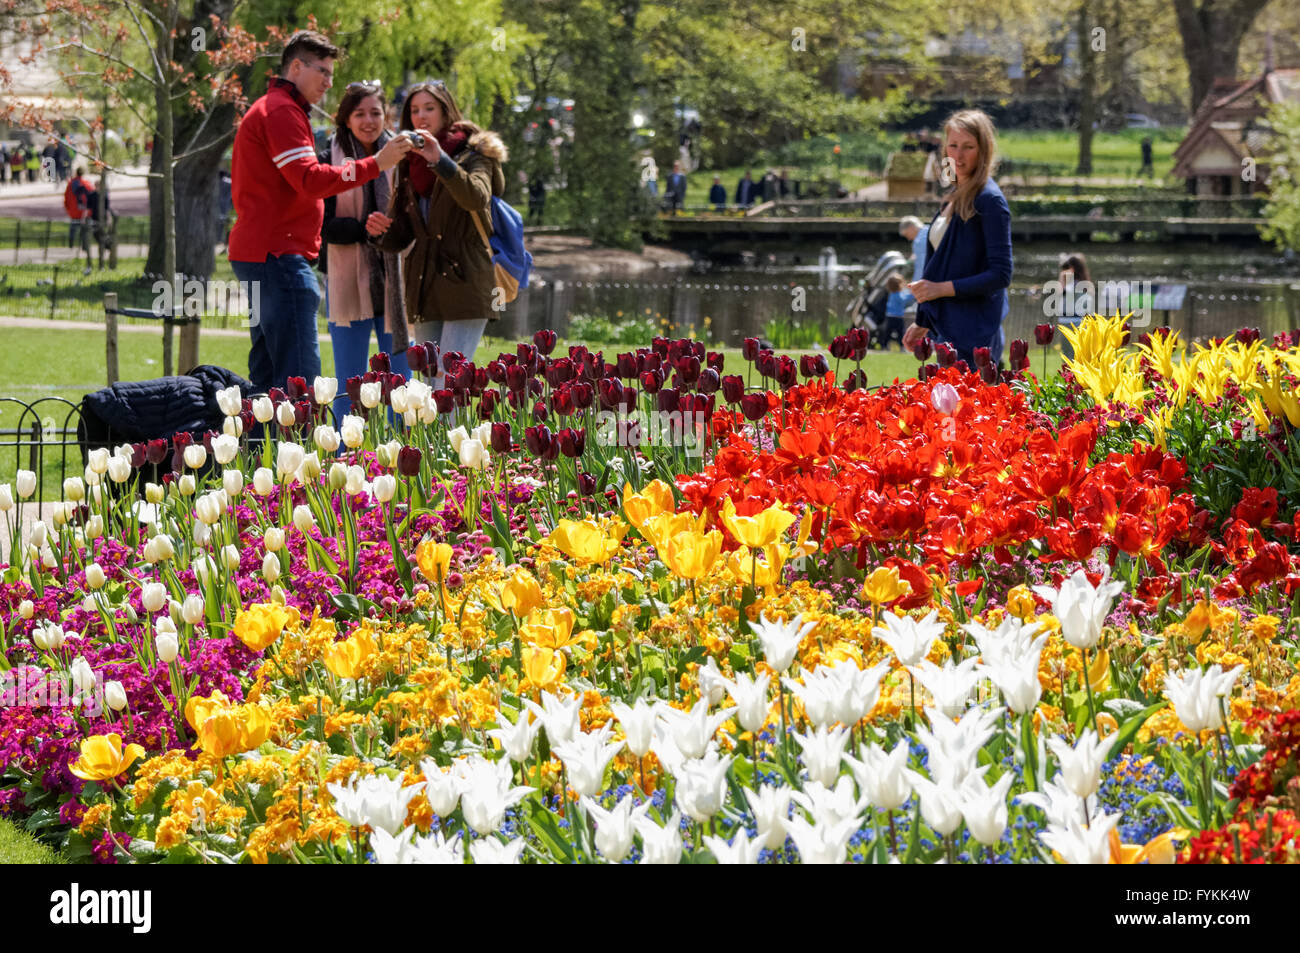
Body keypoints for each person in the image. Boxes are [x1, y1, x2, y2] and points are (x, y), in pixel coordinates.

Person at [227, 30, 413, 394]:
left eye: (331, 73)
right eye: (323, 71)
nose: (330, 82)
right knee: (299, 383)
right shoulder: (281, 111)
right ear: (295, 66)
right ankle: (292, 449)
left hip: (261, 254)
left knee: (269, 379)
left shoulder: (275, 108)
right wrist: (376, 164)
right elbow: (310, 180)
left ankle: (259, 450)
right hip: (278, 256)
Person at [370, 79, 508, 383]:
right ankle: (435, 433)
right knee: (428, 387)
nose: (421, 116)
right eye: (415, 110)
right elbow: (406, 234)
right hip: (425, 285)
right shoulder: (409, 163)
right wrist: (381, 231)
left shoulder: (476, 153)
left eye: (429, 108)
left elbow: (476, 197)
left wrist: (440, 161)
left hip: (466, 281)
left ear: (446, 111)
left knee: (450, 383)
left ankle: (458, 433)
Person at [318, 80, 412, 423]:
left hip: (394, 285)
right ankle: (346, 457)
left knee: (400, 383)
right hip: (346, 285)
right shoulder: (328, 160)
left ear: (387, 115)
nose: (369, 121)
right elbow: (323, 226)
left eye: (376, 112)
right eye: (360, 114)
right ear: (346, 119)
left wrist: (391, 228)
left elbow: (414, 218)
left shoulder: (402, 160)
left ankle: (406, 455)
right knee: (350, 382)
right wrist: (363, 228)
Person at [903, 109, 1013, 369]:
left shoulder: (990, 200)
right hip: (947, 327)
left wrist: (941, 289)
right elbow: (940, 264)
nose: (958, 155)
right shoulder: (955, 194)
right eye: (952, 145)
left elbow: (1001, 274)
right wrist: (923, 321)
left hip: (975, 333)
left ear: (983, 150)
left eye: (968, 147)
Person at [1055, 253, 1093, 362]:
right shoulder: (1084, 282)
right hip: (1078, 321)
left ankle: (1069, 377)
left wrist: (1061, 278)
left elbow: (1060, 293)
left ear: (1072, 268)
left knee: (1069, 356)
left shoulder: (1074, 284)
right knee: (1078, 354)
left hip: (1070, 322)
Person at [64, 166, 94, 250]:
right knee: (84, 229)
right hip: (85, 212)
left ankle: (71, 245)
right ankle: (85, 246)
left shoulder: (71, 184)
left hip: (74, 210)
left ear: (76, 173)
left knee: (73, 228)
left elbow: (66, 197)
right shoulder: (87, 184)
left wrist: (68, 208)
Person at [881, 273, 909, 351]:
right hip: (898, 317)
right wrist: (913, 295)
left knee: (888, 332)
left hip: (890, 317)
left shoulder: (891, 294)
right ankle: (902, 346)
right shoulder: (898, 295)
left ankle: (885, 345)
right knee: (901, 333)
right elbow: (904, 299)